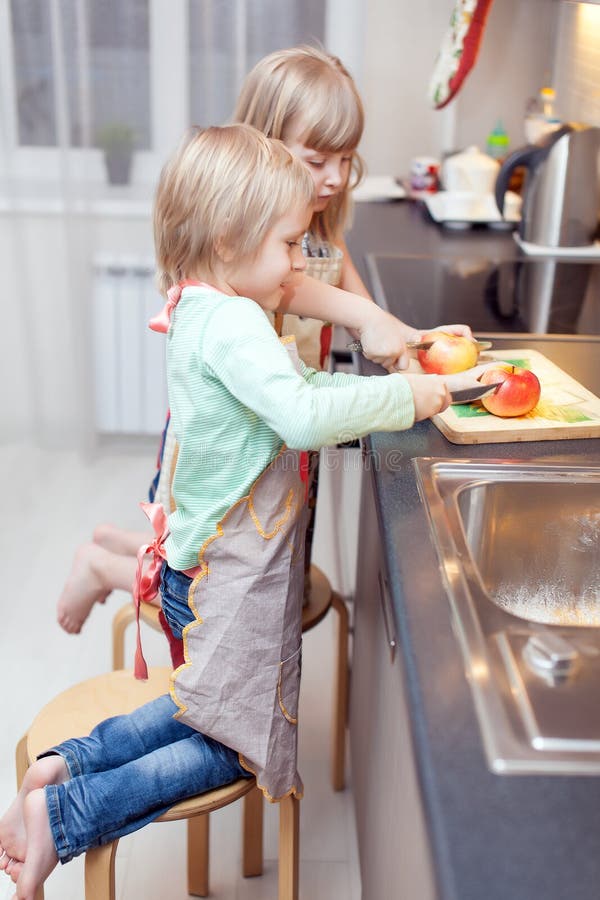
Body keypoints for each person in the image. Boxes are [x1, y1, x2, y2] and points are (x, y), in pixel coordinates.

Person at [1, 124, 482, 900]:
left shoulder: (204, 307)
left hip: (203, 579)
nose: (297, 263)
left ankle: (67, 765)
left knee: (198, 708)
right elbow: (301, 416)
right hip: (228, 588)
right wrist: (407, 397)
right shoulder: (233, 325)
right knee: (232, 745)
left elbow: (297, 393)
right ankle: (64, 816)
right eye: (289, 244)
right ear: (229, 240)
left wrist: (404, 392)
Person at [57, 44, 473, 636]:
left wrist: (415, 341)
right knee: (203, 579)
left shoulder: (315, 233)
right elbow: (307, 296)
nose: (335, 177)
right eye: (317, 159)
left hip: (286, 435)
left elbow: (368, 319)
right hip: (232, 441)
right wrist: (374, 327)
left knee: (252, 573)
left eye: (346, 159)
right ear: (266, 152)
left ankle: (119, 546)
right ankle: (103, 565)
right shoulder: (247, 250)